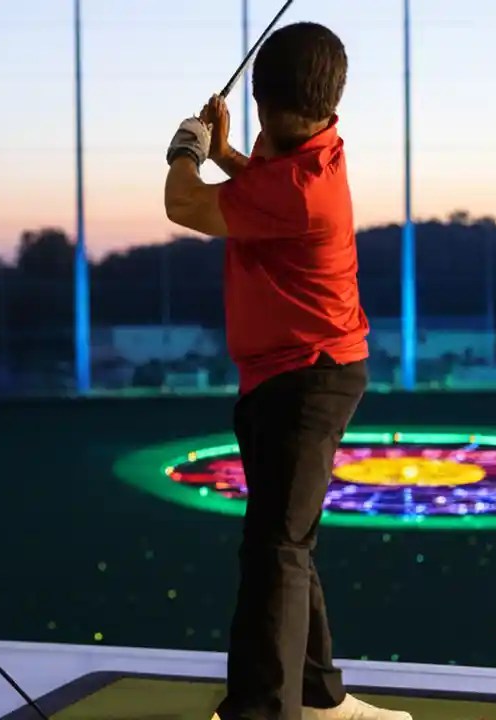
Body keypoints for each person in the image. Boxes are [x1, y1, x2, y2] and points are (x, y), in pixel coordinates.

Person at [162, 22, 412, 720]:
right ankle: (318, 696)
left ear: (266, 102)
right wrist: (229, 151)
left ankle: (264, 711)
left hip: (307, 378)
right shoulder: (316, 146)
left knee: (275, 547)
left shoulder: (301, 189)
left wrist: (189, 149)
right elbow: (262, 180)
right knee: (287, 539)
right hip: (303, 371)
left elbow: (184, 204)